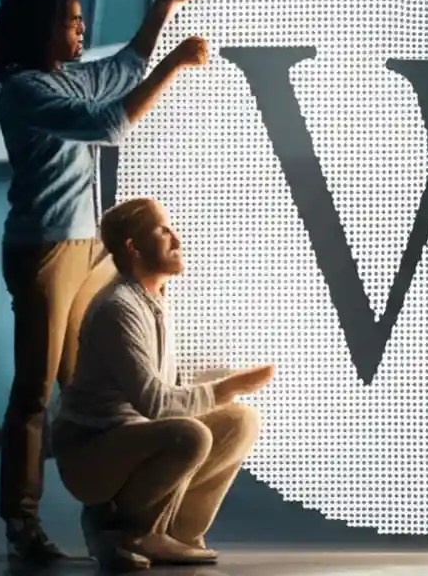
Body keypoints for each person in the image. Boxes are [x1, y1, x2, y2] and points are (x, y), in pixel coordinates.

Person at [0, 0, 210, 563]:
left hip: (89, 248)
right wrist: (175, 64)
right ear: (43, 28)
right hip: (45, 250)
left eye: (81, 19)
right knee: (37, 388)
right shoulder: (24, 91)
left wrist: (163, 7)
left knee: (93, 387)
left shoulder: (69, 78)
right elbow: (110, 124)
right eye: (72, 20)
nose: (81, 29)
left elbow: (127, 67)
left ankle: (107, 517)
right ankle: (21, 521)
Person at [52, 197, 275, 569]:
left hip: (131, 437)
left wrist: (223, 386)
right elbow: (155, 403)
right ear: (134, 247)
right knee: (191, 435)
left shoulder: (154, 300)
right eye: (163, 230)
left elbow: (167, 388)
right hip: (90, 450)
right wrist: (227, 387)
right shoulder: (118, 308)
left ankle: (178, 534)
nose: (177, 238)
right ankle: (121, 529)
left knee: (241, 421)